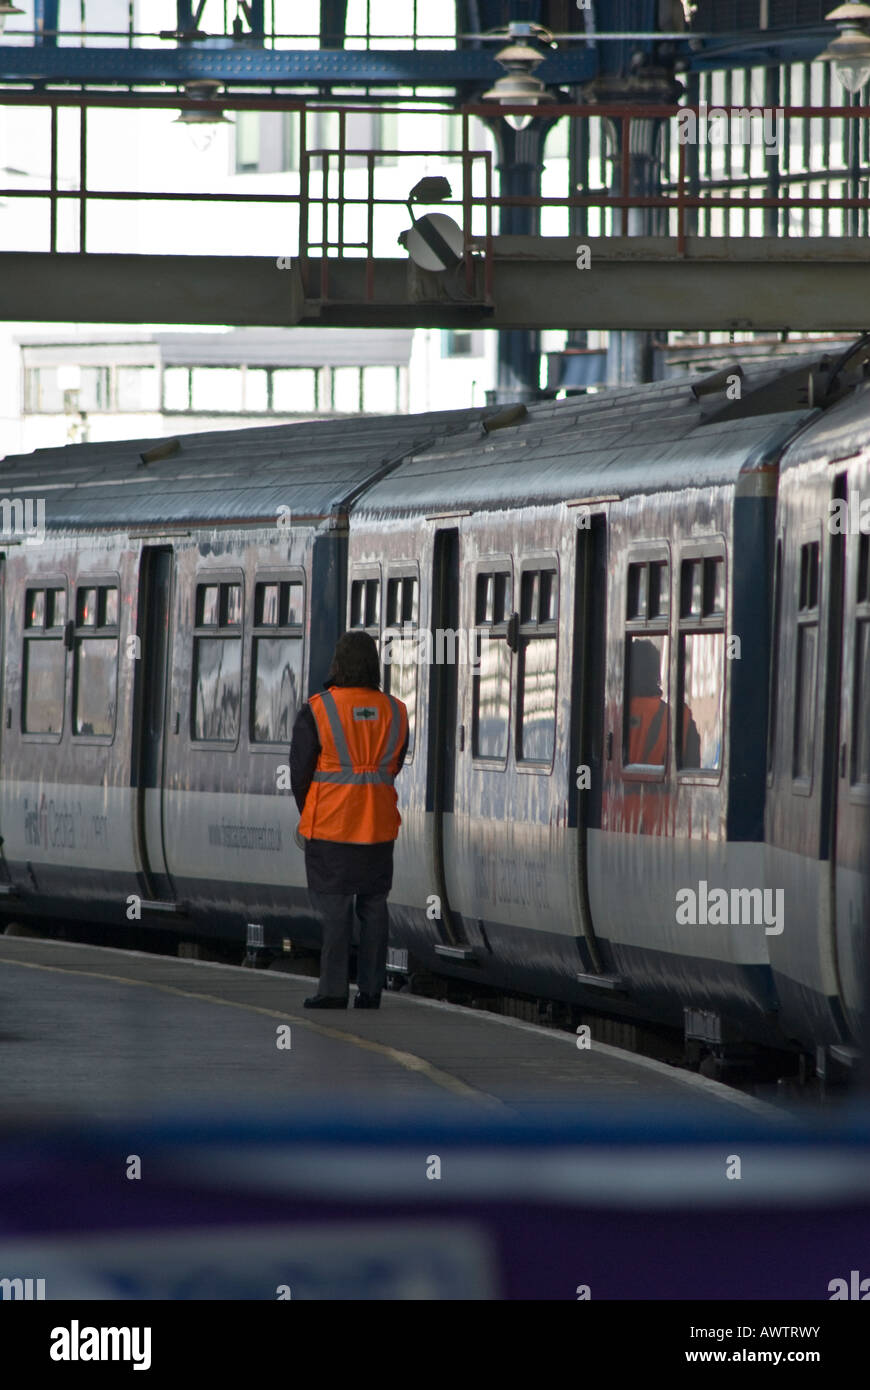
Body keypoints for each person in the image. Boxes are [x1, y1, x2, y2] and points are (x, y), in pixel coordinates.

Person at [290, 630, 408, 1010]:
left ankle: (333, 990)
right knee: (374, 907)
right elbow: (394, 765)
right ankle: (371, 991)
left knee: (335, 910)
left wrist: (309, 810)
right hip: (378, 827)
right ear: (374, 664)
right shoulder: (395, 710)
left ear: (337, 663)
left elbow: (300, 772)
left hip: (331, 828)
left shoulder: (318, 709)